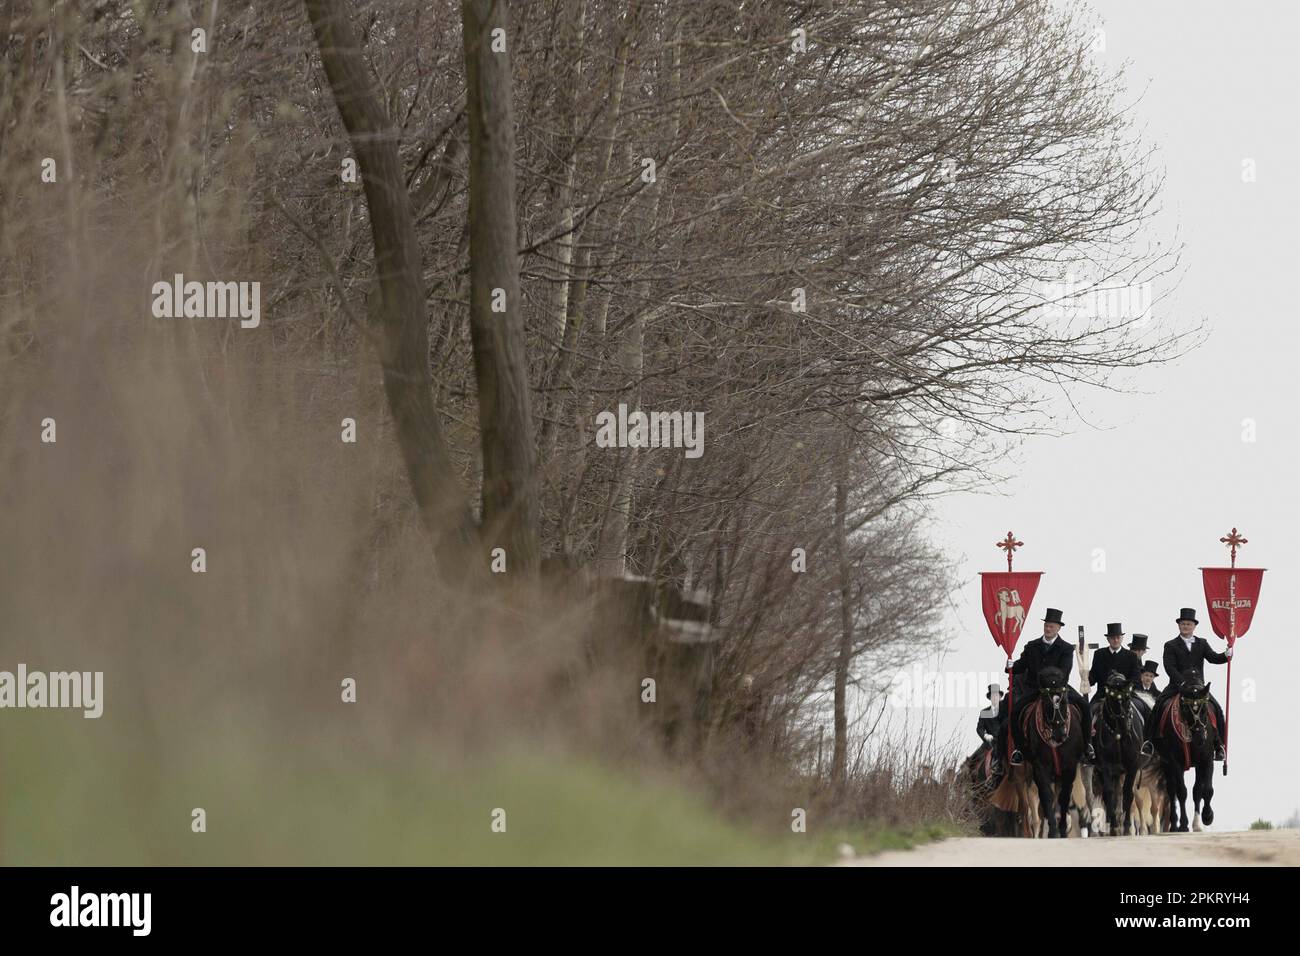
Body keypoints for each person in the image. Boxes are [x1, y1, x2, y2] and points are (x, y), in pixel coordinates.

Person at [1004, 608, 1094, 765]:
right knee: (1016, 711)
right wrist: (1010, 666)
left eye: (1051, 626)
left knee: (1085, 707)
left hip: (1059, 689)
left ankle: (1087, 746)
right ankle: (1019, 749)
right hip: (1034, 689)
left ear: (1058, 628)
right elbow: (1020, 666)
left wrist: (1054, 686)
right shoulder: (1032, 646)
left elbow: (1065, 672)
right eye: (1046, 625)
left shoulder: (1066, 648)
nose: (1048, 628)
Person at [1144, 607, 1232, 761]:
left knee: (1217, 709)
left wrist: (1226, 655)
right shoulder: (1170, 645)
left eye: (1188, 624)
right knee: (1158, 706)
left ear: (1194, 626)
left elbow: (1213, 658)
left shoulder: (1202, 643)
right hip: (1176, 686)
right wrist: (1182, 682)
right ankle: (1149, 742)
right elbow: (1169, 666)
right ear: (1179, 625)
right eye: (1183, 624)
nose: (1185, 626)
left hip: (1198, 688)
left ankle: (1219, 746)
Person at [1089, 622, 1142, 694]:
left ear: (1122, 638)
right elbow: (1094, 675)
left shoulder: (1131, 656)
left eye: (1118, 637)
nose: (1116, 640)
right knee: (1091, 705)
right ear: (1108, 639)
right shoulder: (1099, 654)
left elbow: (1136, 678)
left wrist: (1126, 687)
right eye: (1112, 638)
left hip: (1126, 695)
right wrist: (1085, 678)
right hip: (1103, 694)